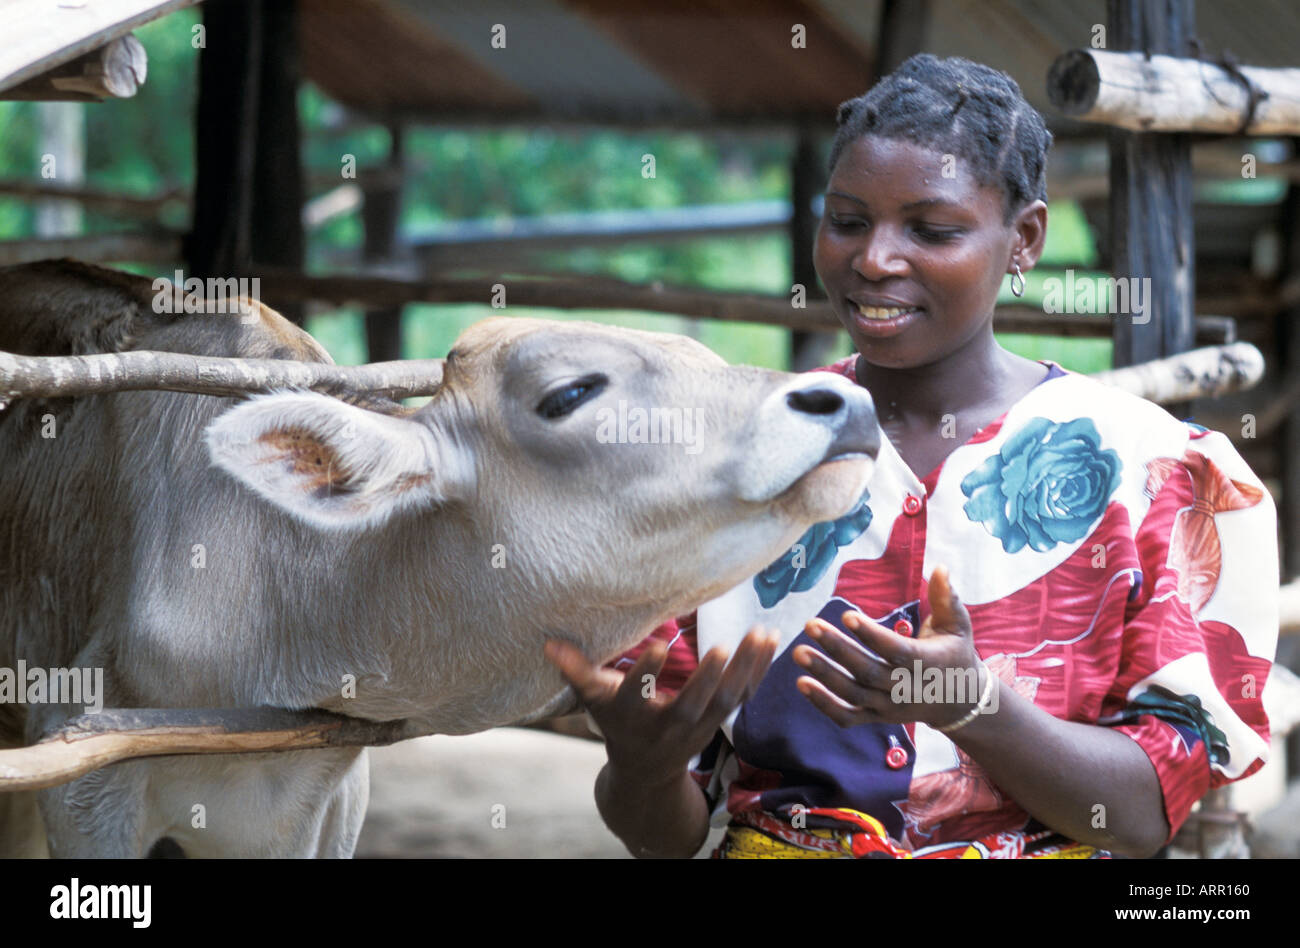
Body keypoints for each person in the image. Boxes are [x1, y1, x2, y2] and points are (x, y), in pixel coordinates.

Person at [544, 54, 1278, 859]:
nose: (875, 260)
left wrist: (970, 703)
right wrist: (641, 770)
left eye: (931, 229)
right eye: (849, 220)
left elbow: (1139, 821)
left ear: (1024, 236)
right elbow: (665, 837)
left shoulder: (1164, 477)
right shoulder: (728, 464)